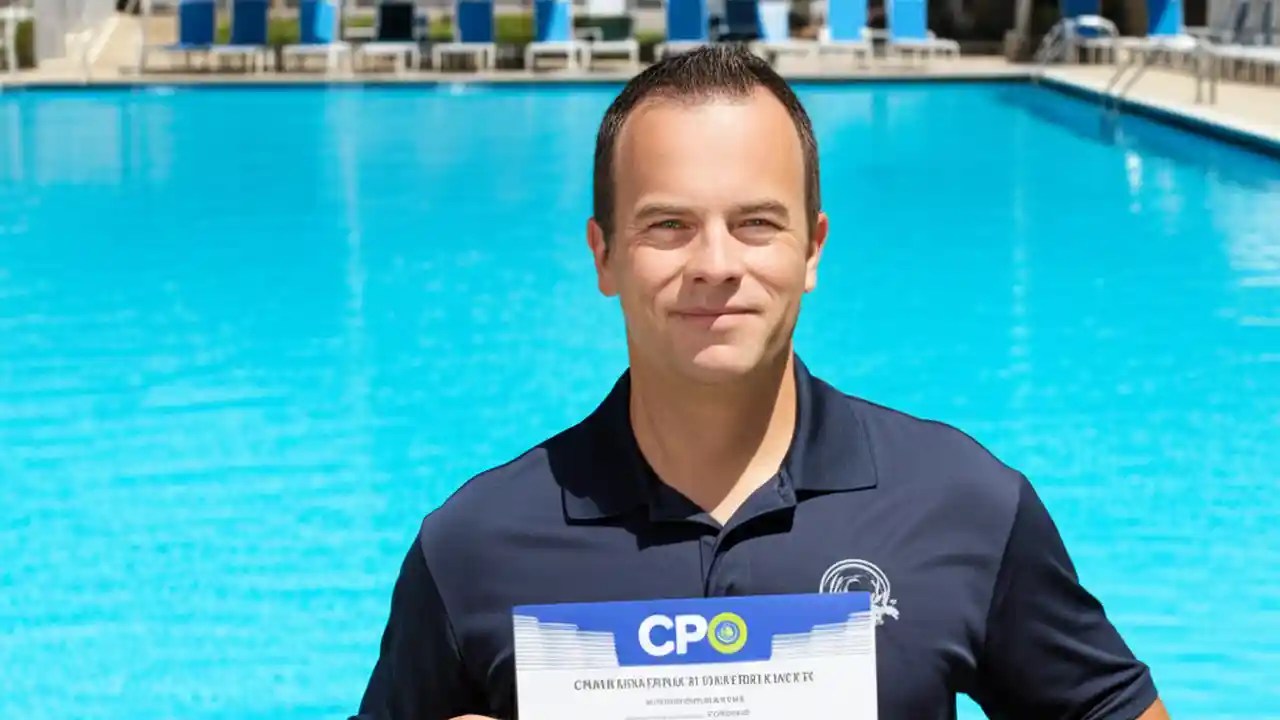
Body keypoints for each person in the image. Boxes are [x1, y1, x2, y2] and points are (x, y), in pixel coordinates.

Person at [350, 45, 1170, 720]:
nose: (716, 265)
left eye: (756, 223)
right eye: (669, 225)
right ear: (603, 254)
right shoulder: (475, 546)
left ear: (811, 250)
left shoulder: (962, 504)